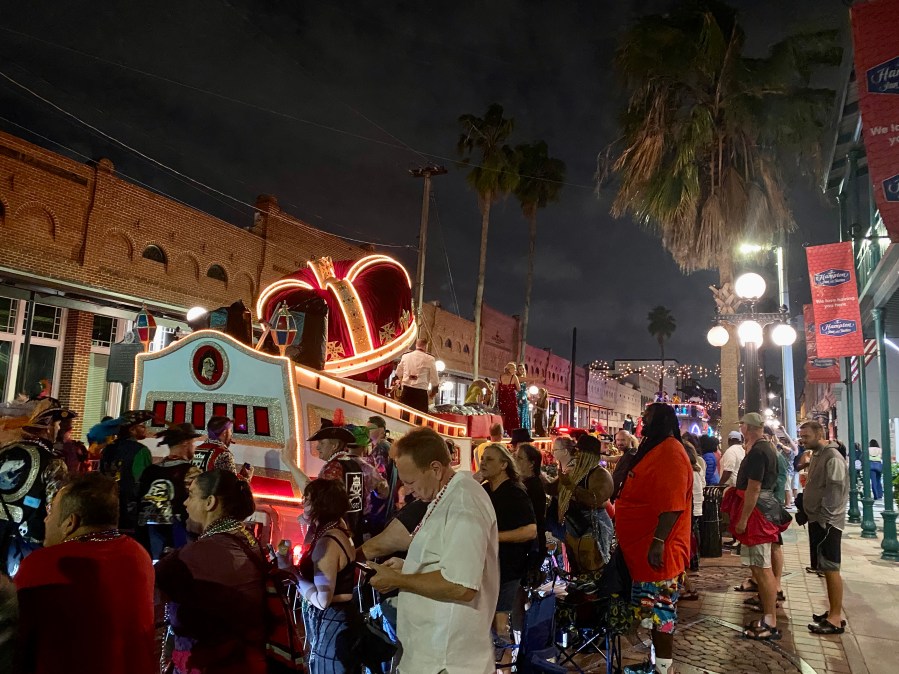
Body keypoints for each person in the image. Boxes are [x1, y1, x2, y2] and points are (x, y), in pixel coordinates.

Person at [368, 427, 499, 674]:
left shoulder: (464, 502)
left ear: (436, 469)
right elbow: (446, 560)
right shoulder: (443, 495)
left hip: (448, 662)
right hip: (434, 656)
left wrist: (399, 580)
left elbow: (461, 586)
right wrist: (409, 567)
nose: (406, 490)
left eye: (410, 482)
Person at [15, 473, 156, 674]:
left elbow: (18, 639)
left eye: (50, 511)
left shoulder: (43, 563)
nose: (46, 520)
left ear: (70, 523)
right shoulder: (138, 554)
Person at [156, 470, 266, 674]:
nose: (185, 504)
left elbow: (147, 590)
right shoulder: (245, 539)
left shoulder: (201, 553)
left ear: (210, 503)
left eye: (191, 495)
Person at [613, 403, 692, 674]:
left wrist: (658, 542)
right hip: (644, 550)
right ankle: (654, 664)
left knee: (661, 616)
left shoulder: (670, 451)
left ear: (661, 421)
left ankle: (663, 669)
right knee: (651, 614)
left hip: (660, 552)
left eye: (647, 419)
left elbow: (672, 505)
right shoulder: (657, 448)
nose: (642, 423)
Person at [294, 478, 360, 673]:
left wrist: (293, 574)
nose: (302, 503)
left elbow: (322, 599)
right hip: (337, 621)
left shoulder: (328, 542)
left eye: (307, 500)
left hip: (333, 624)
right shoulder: (335, 527)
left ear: (320, 505)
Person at [728, 413, 783, 641]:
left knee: (762, 567)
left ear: (748, 427)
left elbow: (754, 487)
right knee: (761, 566)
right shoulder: (765, 448)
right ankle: (768, 613)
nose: (740, 427)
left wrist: (743, 519)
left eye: (741, 424)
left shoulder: (759, 451)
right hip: (763, 508)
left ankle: (770, 620)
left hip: (758, 512)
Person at [0, 404, 70, 576]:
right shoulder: (53, 462)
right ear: (48, 428)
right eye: (57, 424)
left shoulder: (4, 452)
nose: (60, 428)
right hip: (27, 541)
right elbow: (56, 506)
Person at [478, 443, 536, 649]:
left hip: (508, 565)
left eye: (489, 459)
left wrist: (495, 538)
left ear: (503, 465)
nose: (483, 463)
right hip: (486, 564)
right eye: (482, 458)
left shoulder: (514, 492)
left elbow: (530, 530)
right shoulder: (483, 490)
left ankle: (506, 663)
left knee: (501, 620)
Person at [799, 421, 850, 635]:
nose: (803, 440)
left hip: (828, 523)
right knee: (826, 568)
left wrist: (825, 520)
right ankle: (832, 611)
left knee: (831, 568)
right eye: (801, 436)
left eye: (807, 436)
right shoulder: (818, 455)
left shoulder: (832, 457)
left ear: (820, 434)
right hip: (818, 520)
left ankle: (836, 618)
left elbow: (835, 491)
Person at [548, 434, 614, 572]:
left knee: (592, 570)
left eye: (579, 452)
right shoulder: (574, 472)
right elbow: (551, 489)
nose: (576, 455)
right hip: (574, 527)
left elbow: (594, 499)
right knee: (576, 568)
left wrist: (571, 486)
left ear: (588, 455)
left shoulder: (600, 474)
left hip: (594, 528)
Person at [136, 423, 202, 561]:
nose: (194, 447)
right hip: (177, 541)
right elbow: (199, 508)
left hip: (146, 540)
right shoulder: (190, 472)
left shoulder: (149, 471)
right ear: (185, 442)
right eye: (193, 443)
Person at [99, 409, 156, 532]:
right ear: (132, 429)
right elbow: (143, 483)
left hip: (107, 508)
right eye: (142, 425)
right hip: (130, 512)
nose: (145, 428)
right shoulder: (140, 451)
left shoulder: (107, 449)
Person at [516, 443, 548, 578]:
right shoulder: (528, 483)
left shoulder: (531, 487)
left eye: (519, 458)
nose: (515, 461)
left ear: (531, 464)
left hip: (531, 546)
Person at [394, 338, 439, 413]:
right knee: (420, 418)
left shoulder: (405, 356)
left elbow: (398, 373)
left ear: (416, 345)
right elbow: (434, 379)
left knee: (405, 416)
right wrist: (433, 392)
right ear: (426, 346)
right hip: (420, 393)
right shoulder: (430, 359)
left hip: (406, 392)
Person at [496, 362, 521, 433]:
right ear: (510, 369)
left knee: (503, 415)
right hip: (511, 400)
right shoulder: (514, 377)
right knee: (512, 416)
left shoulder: (500, 377)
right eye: (514, 369)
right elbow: (519, 388)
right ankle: (512, 432)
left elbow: (496, 388)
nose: (515, 370)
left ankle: (502, 431)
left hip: (502, 399)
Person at [516, 363, 532, 433]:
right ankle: (520, 431)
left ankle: (526, 431)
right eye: (520, 369)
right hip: (519, 398)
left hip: (524, 398)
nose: (521, 370)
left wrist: (528, 396)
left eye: (523, 369)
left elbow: (526, 388)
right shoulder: (517, 378)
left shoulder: (524, 378)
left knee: (525, 414)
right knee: (520, 414)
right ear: (517, 370)